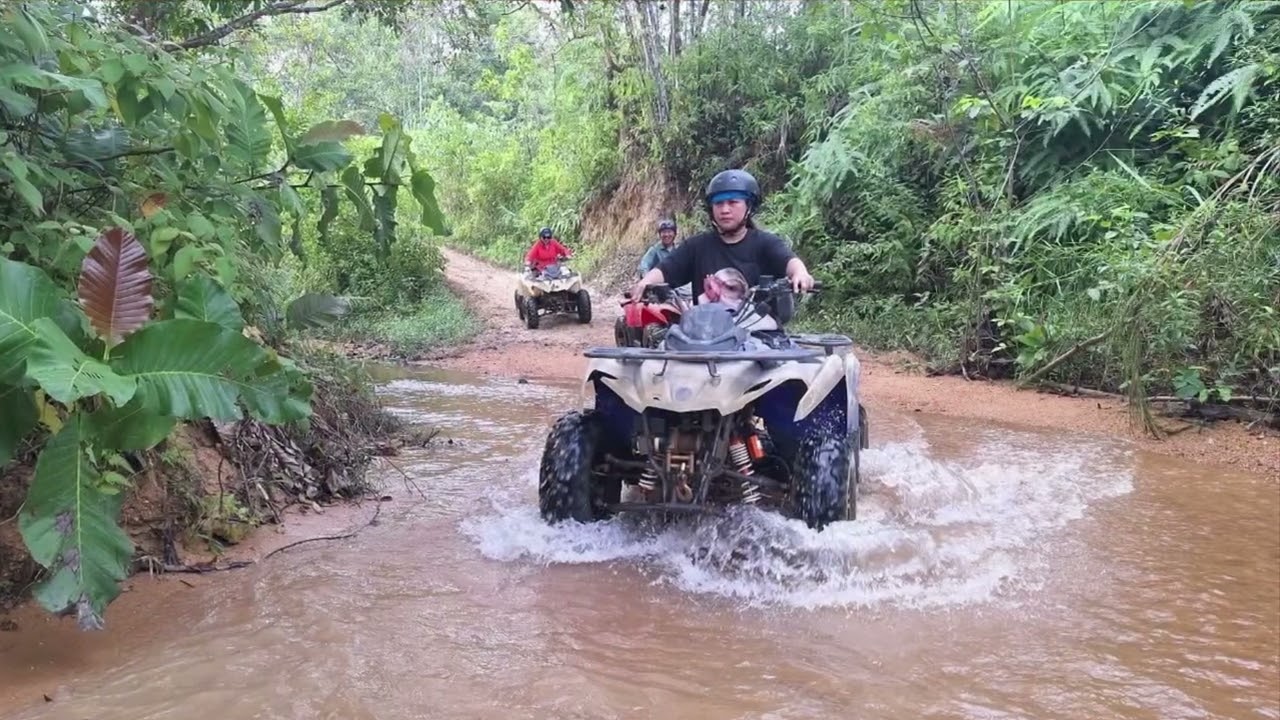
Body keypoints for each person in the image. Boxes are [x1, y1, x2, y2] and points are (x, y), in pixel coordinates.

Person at [629, 169, 815, 303]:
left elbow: (789, 261)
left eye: (733, 202)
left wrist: (800, 273)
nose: (725, 209)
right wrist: (645, 282)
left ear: (749, 207)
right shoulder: (696, 246)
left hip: (759, 335)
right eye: (718, 203)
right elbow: (666, 269)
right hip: (707, 336)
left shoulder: (765, 243)